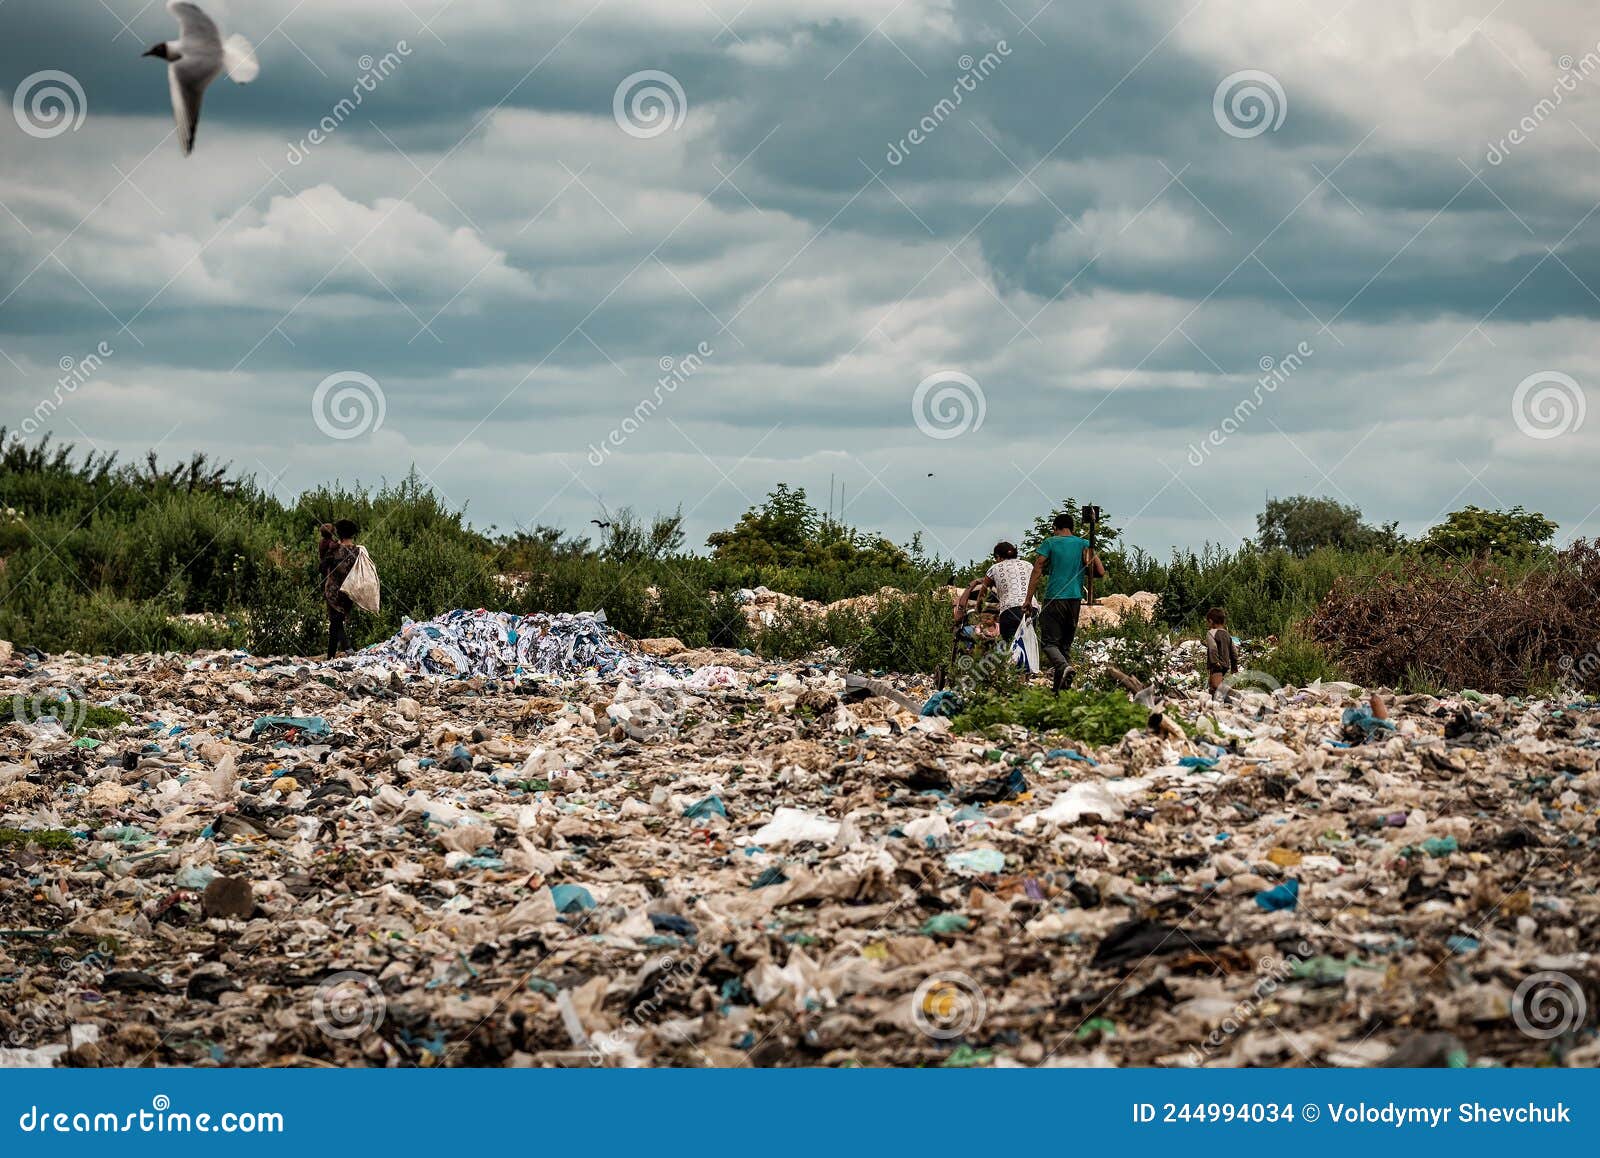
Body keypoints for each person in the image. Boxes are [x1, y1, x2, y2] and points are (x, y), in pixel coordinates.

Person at [1024, 513, 1098, 693]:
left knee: (1049, 644)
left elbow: (1037, 569)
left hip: (1054, 598)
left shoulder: (1050, 543)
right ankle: (1059, 693)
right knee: (1064, 647)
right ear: (1072, 528)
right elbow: (1100, 571)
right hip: (1075, 600)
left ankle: (1064, 668)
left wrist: (1028, 599)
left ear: (1055, 527)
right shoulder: (1084, 544)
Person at [956, 542, 1036, 644]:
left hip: (1010, 610)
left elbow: (983, 593)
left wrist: (978, 609)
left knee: (1010, 645)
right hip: (1031, 607)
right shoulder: (1028, 565)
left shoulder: (994, 568)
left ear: (998, 556)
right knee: (1029, 643)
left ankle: (1012, 659)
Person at [318, 519, 360, 659]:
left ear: (339, 534)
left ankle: (347, 648)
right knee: (335, 623)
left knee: (336, 621)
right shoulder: (358, 551)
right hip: (348, 592)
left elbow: (322, 567)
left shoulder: (335, 550)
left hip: (333, 592)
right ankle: (330, 656)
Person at [1204, 607, 1239, 699]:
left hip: (1217, 664)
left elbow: (1213, 648)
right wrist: (1234, 667)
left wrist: (1215, 662)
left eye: (1208, 622)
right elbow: (1234, 652)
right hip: (1225, 664)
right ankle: (1214, 706)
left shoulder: (1211, 633)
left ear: (1211, 621)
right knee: (1212, 686)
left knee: (1216, 685)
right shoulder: (1227, 634)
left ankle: (1232, 698)